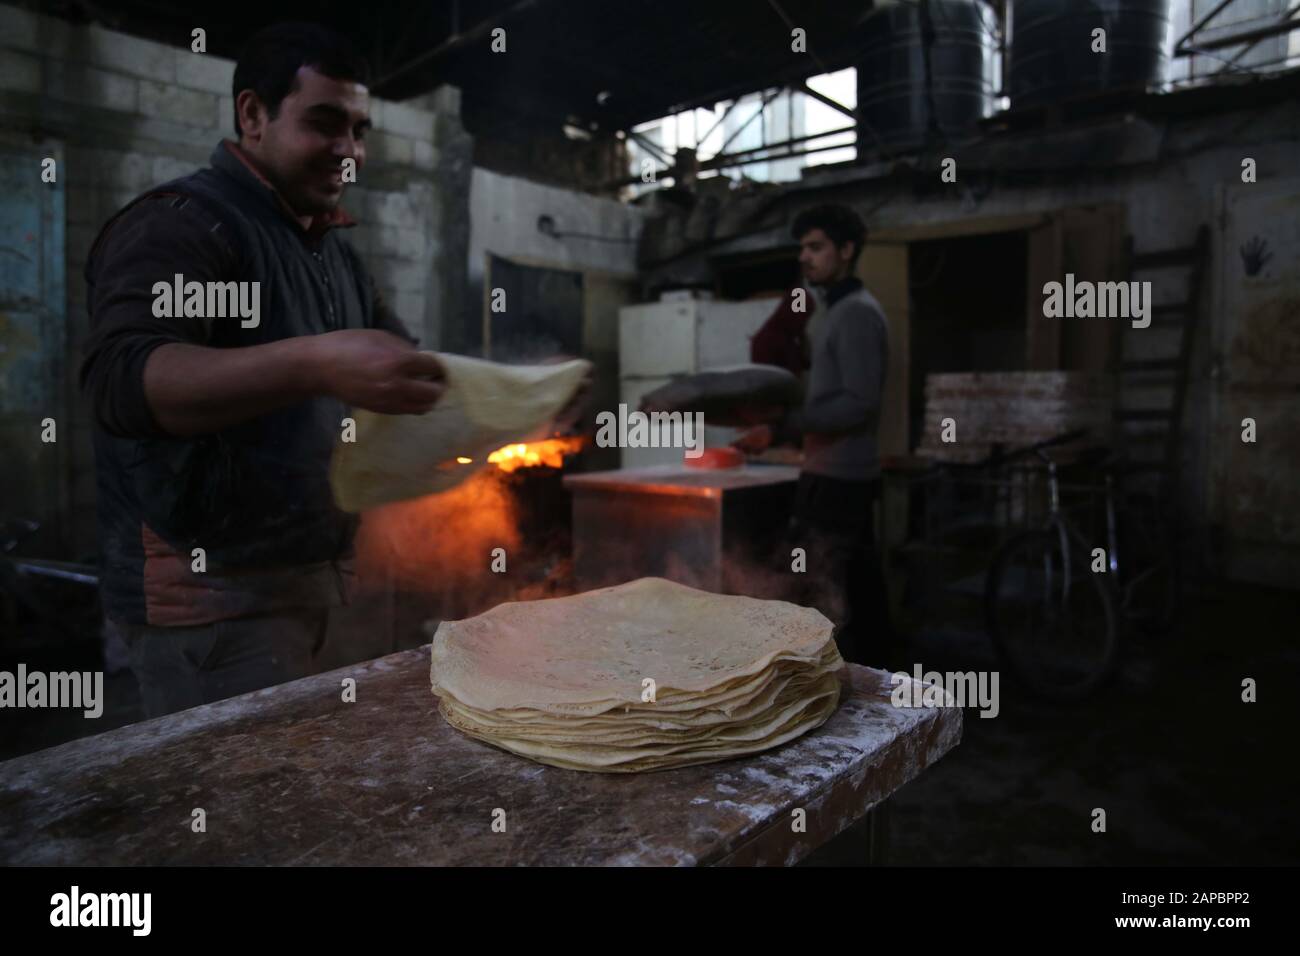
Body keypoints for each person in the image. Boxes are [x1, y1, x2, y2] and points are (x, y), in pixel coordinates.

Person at [79, 23, 448, 717]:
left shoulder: (330, 249)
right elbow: (125, 381)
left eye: (360, 129)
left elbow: (405, 365)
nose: (349, 150)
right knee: (242, 815)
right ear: (252, 115)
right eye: (324, 123)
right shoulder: (186, 225)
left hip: (313, 583)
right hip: (210, 608)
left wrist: (523, 399)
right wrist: (316, 361)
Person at [735, 204, 895, 667]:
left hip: (839, 478)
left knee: (822, 587)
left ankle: (837, 686)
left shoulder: (855, 315)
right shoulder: (835, 312)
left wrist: (785, 426)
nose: (805, 257)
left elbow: (859, 402)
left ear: (847, 250)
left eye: (816, 246)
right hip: (834, 470)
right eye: (801, 248)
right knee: (856, 586)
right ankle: (873, 681)